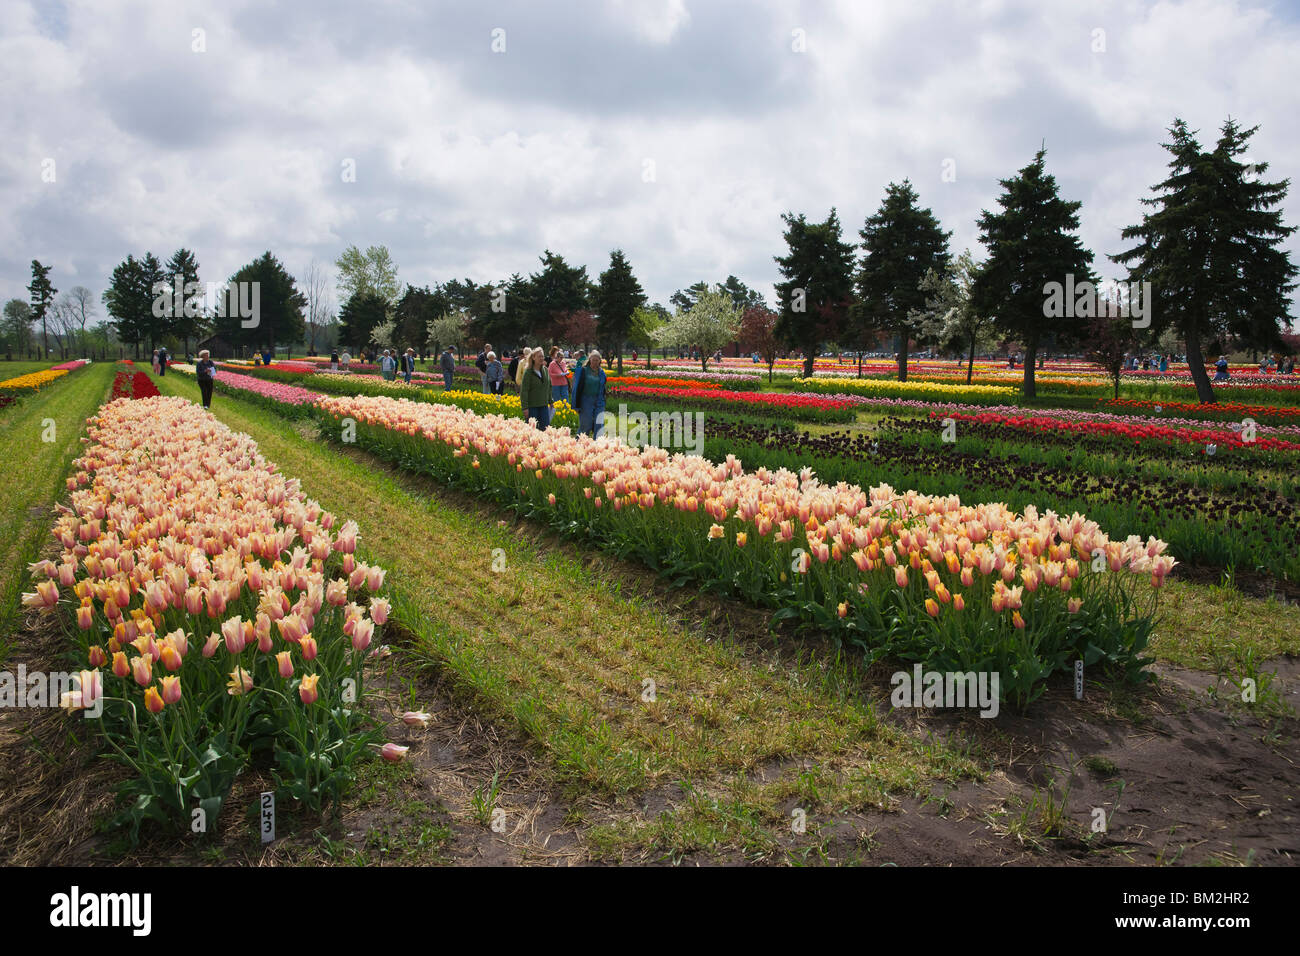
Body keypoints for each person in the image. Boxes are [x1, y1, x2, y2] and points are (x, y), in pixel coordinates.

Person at [571, 350, 607, 437]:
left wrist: (603, 401)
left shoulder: (602, 373)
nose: (595, 362)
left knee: (599, 424)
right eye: (593, 359)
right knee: (586, 424)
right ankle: (580, 444)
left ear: (600, 361)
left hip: (599, 400)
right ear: (590, 359)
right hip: (585, 400)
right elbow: (576, 388)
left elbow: (603, 388)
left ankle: (598, 445)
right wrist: (575, 405)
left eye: (597, 360)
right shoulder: (582, 371)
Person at [520, 347, 550, 430]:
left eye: (542, 356)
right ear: (533, 357)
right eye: (539, 356)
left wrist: (551, 400)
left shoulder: (545, 370)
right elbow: (524, 391)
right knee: (532, 431)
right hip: (532, 407)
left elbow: (548, 386)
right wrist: (525, 408)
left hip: (543, 405)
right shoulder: (528, 372)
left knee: (545, 430)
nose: (541, 358)